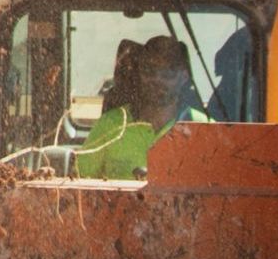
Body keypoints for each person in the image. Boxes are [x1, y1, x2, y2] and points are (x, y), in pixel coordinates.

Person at [75, 33, 209, 179]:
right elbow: (78, 183)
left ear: (183, 77)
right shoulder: (110, 125)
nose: (156, 80)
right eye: (150, 71)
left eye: (166, 74)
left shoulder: (204, 128)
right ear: (140, 74)